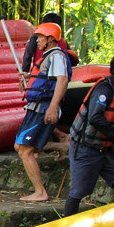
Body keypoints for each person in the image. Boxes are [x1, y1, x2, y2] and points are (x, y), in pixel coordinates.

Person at [64, 50, 114, 216]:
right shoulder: (104, 89)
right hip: (86, 148)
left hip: (107, 148)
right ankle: (64, 226)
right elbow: (95, 117)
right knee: (79, 191)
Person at [14, 22, 71, 201]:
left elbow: (61, 81)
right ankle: (61, 146)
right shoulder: (47, 57)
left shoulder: (56, 56)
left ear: (50, 39)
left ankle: (40, 192)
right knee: (19, 146)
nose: (37, 40)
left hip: (43, 108)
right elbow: (46, 79)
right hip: (35, 107)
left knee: (25, 150)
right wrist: (28, 79)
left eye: (40, 37)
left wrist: (53, 107)